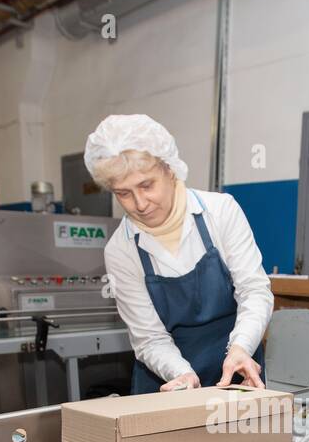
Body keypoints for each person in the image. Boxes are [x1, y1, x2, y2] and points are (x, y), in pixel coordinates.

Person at [84, 114, 273, 393]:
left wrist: (242, 346)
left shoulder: (220, 212)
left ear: (170, 170)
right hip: (167, 378)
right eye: (123, 193)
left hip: (235, 366)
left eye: (147, 185)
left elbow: (254, 291)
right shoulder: (121, 249)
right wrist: (182, 373)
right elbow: (149, 338)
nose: (139, 203)